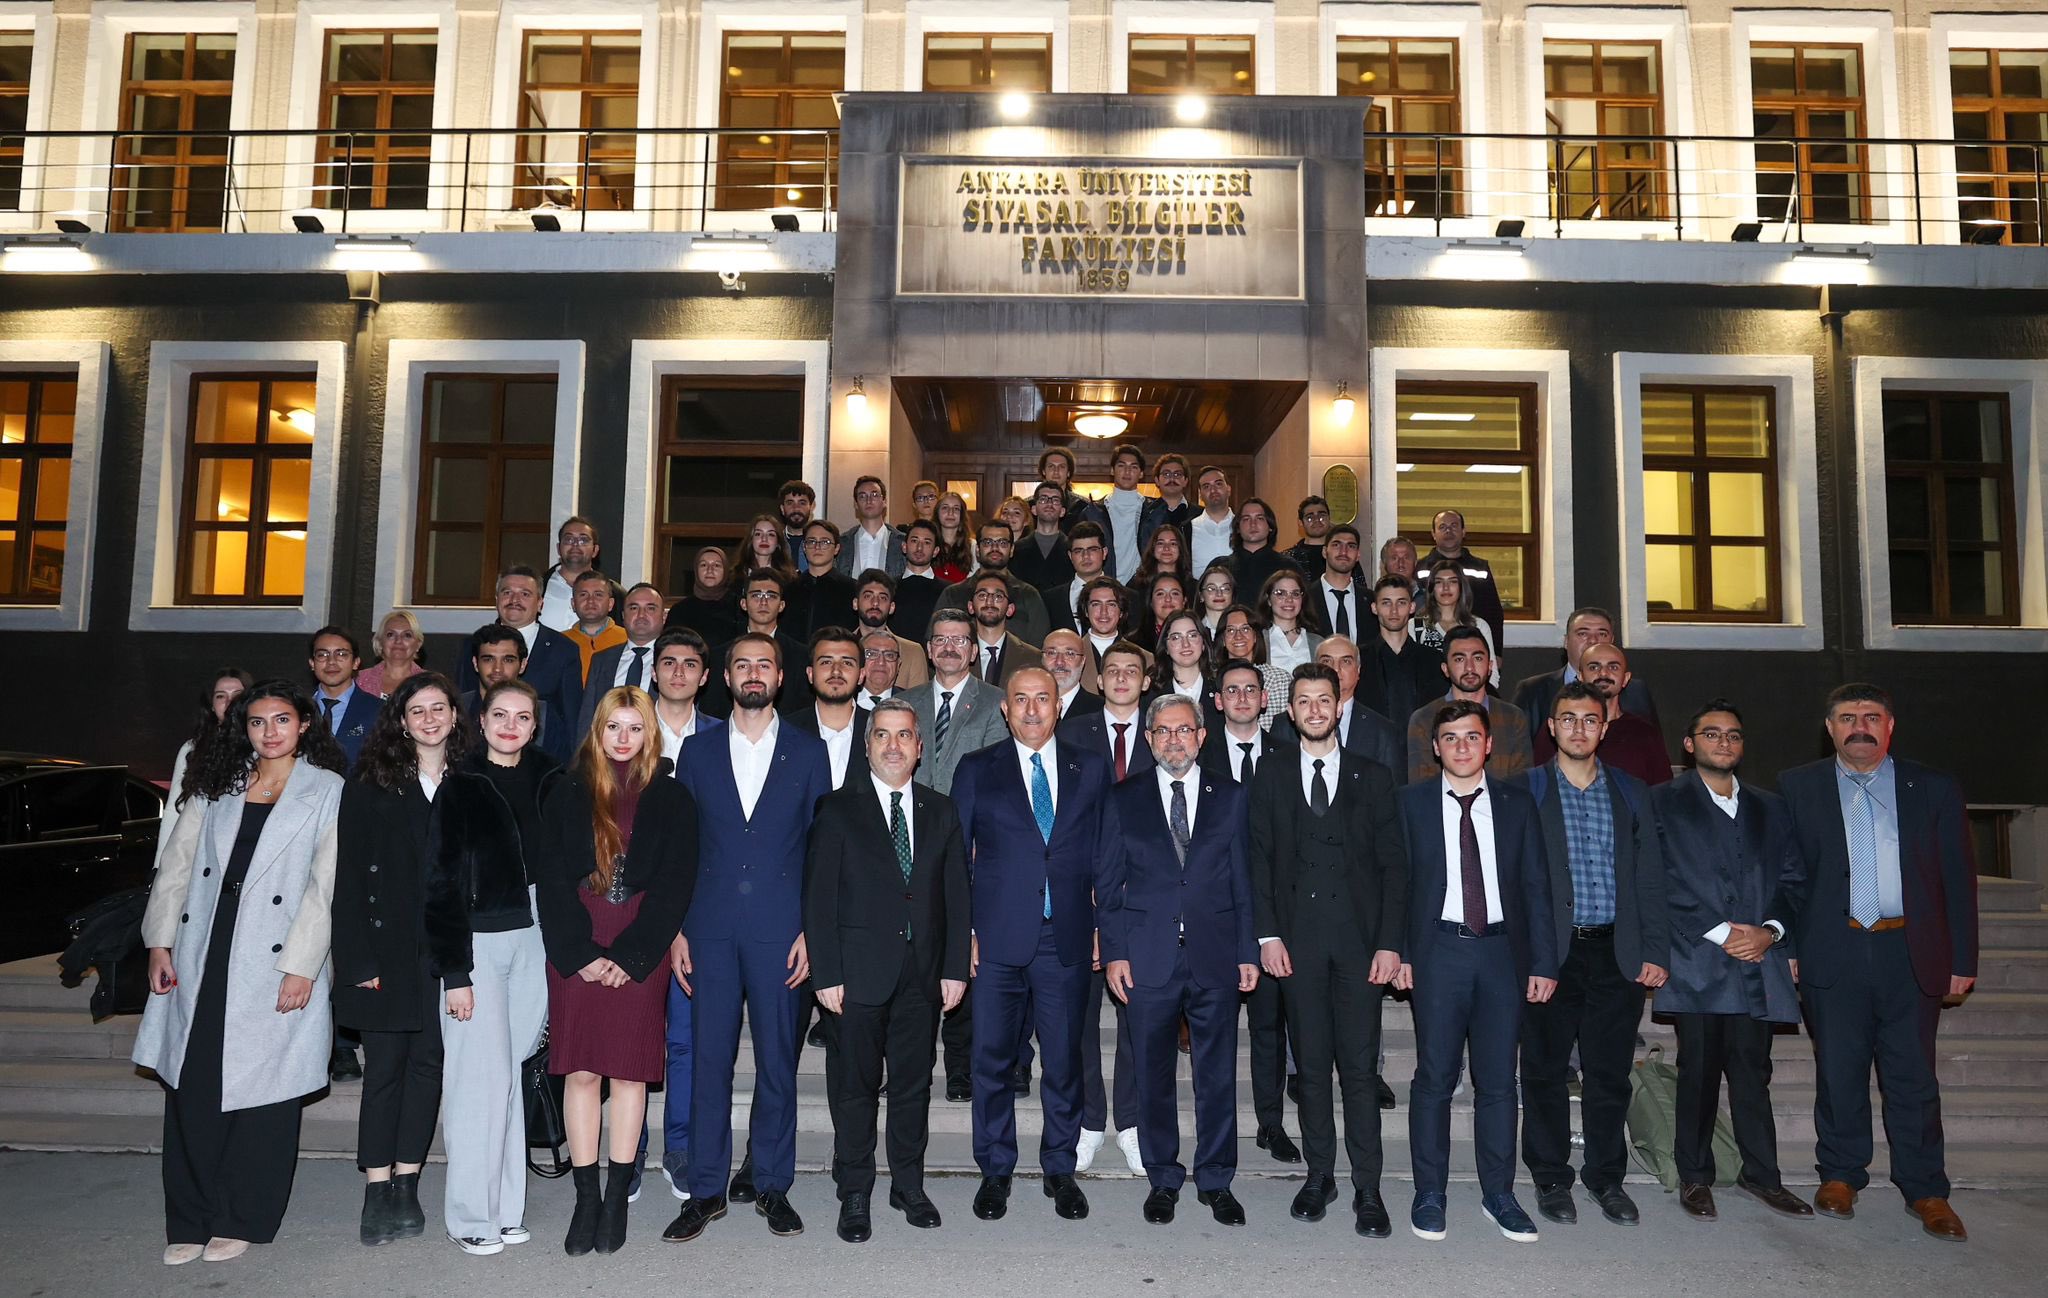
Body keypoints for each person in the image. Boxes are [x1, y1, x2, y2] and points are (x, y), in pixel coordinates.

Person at [135, 681, 349, 1265]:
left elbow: (325, 886)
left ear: (304, 723)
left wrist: (304, 966)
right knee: (191, 1087)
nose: (269, 732)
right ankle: (189, 1217)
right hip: (204, 946)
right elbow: (176, 864)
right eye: (257, 722)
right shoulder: (219, 784)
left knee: (267, 1096)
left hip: (275, 958)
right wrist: (159, 942)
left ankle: (244, 1216)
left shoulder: (327, 789)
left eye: (281, 720)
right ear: (243, 728)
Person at [1776, 684, 1976, 1242]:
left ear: (1890, 726)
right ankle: (1840, 1176)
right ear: (1830, 726)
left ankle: (1926, 1189)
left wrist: (1963, 955)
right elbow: (1786, 878)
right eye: (1847, 717)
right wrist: (1790, 946)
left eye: (1871, 717)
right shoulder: (1798, 786)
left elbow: (1957, 877)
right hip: (1831, 947)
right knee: (1838, 1069)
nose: (1858, 726)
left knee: (1912, 1077)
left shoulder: (1932, 787)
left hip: (1909, 949)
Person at [665, 635, 831, 1243]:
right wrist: (677, 927)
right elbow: (682, 848)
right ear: (726, 677)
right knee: (708, 1063)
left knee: (778, 1065)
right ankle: (705, 1190)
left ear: (781, 677)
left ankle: (772, 1185)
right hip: (707, 931)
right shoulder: (697, 751)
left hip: (782, 933)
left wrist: (815, 931)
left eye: (764, 665)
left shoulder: (810, 754)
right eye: (742, 665)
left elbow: (822, 851)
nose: (753, 674)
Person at [536, 686, 697, 1256]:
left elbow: (676, 884)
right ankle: (585, 1197)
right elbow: (550, 877)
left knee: (629, 1074)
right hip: (577, 938)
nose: (624, 739)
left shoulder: (672, 797)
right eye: (614, 728)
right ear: (597, 731)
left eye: (635, 728)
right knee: (580, 1072)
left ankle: (616, 1194)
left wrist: (631, 956)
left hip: (640, 942)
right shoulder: (565, 790)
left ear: (649, 733)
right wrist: (579, 954)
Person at [1249, 663, 1406, 1237]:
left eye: (1325, 700)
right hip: (1298, 947)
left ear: (1340, 707)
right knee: (1311, 1068)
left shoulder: (1375, 775)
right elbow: (1258, 858)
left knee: (1359, 1071)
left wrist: (1391, 943)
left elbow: (1394, 867)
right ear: (1290, 712)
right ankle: (1320, 1174)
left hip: (1361, 947)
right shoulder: (1270, 773)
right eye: (1305, 702)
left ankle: (1369, 1186)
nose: (1315, 710)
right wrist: (1267, 936)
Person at [955, 668, 1116, 1224]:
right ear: (1004, 709)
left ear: (1058, 706)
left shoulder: (1091, 768)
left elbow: (1106, 855)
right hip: (997, 939)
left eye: (1041, 699)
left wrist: (1103, 926)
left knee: (1065, 1061)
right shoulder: (978, 770)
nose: (1030, 709)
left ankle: (1060, 1168)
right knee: (992, 1061)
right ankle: (995, 1169)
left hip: (1066, 936)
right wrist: (964, 934)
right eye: (1019, 699)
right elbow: (957, 861)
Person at [805, 700, 970, 1242]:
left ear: (920, 748)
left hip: (922, 975)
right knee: (853, 1088)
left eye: (904, 736)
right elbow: (818, 900)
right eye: (882, 735)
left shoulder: (941, 810)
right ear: (868, 744)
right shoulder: (836, 809)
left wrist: (953, 968)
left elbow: (956, 897)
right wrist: (825, 972)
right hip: (854, 975)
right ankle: (855, 1189)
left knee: (913, 1086)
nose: (893, 745)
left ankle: (908, 1183)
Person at [1395, 701, 1557, 1244]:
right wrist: (1399, 953)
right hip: (1440, 952)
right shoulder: (1411, 804)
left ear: (1488, 744)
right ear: (1435, 747)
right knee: (1434, 1078)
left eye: (1471, 737)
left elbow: (1537, 885)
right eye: (1450, 738)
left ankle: (1499, 1194)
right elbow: (1397, 885)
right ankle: (1430, 1193)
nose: (1461, 746)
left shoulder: (1516, 803)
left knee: (1497, 1081)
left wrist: (1542, 960)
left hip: (1502, 955)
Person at [1651, 700, 1812, 1222]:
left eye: (1734, 735)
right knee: (1697, 1071)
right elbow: (1659, 880)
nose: (1724, 742)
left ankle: (1762, 1175)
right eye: (1712, 733)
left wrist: (1770, 933)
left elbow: (1793, 880)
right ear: (1690, 743)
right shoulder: (1662, 802)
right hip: (1698, 957)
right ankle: (1695, 1176)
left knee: (1752, 1072)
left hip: (1758, 961)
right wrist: (1724, 933)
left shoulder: (1772, 807)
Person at [1101, 695, 1257, 1227]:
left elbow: (1244, 881)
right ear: (1149, 739)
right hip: (1147, 958)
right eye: (1163, 732)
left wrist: (1248, 951)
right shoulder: (1122, 798)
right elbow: (1109, 883)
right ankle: (1162, 1177)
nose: (1174, 741)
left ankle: (1216, 1180)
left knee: (1216, 1077)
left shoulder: (1232, 797)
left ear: (1201, 735)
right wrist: (1116, 952)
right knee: (1153, 1074)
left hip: (1215, 957)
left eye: (1184, 731)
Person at [1520, 682, 1669, 1227]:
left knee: (1609, 1075)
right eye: (1568, 719)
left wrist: (1654, 948)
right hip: (1550, 957)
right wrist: (1530, 959)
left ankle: (1607, 1178)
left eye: (1590, 720)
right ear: (1552, 727)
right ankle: (1550, 1177)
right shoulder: (1526, 790)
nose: (1579, 729)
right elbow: (1517, 885)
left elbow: (1650, 877)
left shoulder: (1632, 791)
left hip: (1616, 954)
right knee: (1543, 1072)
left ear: (1604, 727)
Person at [426, 677, 567, 1254]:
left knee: (511, 1077)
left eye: (523, 716)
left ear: (536, 724)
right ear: (480, 722)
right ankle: (469, 1216)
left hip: (534, 939)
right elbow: (440, 885)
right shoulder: (459, 787)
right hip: (479, 943)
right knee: (476, 1084)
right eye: (500, 715)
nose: (511, 725)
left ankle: (507, 1209)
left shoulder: (554, 780)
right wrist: (455, 974)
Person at [335, 674, 463, 1247]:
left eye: (439, 708)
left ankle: (408, 1183)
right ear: (401, 720)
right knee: (384, 1072)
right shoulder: (370, 782)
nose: (430, 718)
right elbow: (348, 877)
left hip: (443, 953)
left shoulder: (469, 781)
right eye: (418, 710)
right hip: (384, 951)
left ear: (456, 717)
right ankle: (374, 1187)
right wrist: (358, 961)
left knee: (428, 1068)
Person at [1056, 639, 1152, 1172]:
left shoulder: (1165, 732)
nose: (1119, 677)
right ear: (1099, 677)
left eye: (1130, 670)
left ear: (1145, 678)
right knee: (1081, 1018)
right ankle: (1090, 1119)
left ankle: (1132, 1122)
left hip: (1144, 900)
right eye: (1111, 669)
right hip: (1084, 893)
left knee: (1137, 1013)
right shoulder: (1073, 733)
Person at [1202, 659, 1295, 1165]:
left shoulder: (1288, 755)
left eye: (1250, 690)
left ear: (1265, 699)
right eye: (1231, 690)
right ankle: (1209, 1130)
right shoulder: (1199, 755)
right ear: (1217, 701)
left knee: (1268, 1026)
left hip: (1273, 914)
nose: (1240, 697)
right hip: (1214, 913)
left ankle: (1270, 1123)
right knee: (1212, 1029)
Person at [456, 567, 582, 764]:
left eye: (525, 594)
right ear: (497, 599)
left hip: (543, 758)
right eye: (507, 592)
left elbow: (571, 715)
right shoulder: (472, 645)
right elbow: (463, 700)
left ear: (540, 603)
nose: (514, 600)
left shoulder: (564, 649)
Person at [1405, 627, 1533, 784]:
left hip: (1502, 807)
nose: (1470, 668)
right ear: (1445, 669)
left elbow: (1522, 787)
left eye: (1478, 658)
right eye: (1459, 659)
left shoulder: (1513, 718)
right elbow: (1421, 788)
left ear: (1490, 666)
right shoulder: (1424, 719)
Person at [1533, 642, 1672, 786]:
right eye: (1594, 667)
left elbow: (1662, 793)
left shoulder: (1644, 733)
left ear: (1625, 678)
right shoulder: (1560, 729)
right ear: (1580, 676)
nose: (1604, 673)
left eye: (1613, 667)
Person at [1511, 606, 1662, 736]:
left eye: (1602, 634)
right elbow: (1520, 750)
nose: (1593, 641)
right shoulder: (1533, 690)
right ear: (1566, 641)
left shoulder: (1636, 691)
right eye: (1583, 633)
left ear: (1612, 642)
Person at [1271, 636, 1405, 778]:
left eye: (1346, 661)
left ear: (1358, 670)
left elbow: (1393, 792)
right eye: (1327, 661)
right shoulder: (1283, 726)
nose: (1336, 669)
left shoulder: (1384, 732)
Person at [907, 609, 1009, 797]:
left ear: (973, 652)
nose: (949, 648)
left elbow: (995, 772)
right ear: (929, 650)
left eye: (959, 641)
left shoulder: (996, 702)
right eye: (940, 640)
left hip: (969, 815)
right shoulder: (906, 703)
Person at [160, 669, 253, 860]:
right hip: (195, 854)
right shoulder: (192, 749)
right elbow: (173, 811)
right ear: (211, 705)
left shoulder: (265, 748)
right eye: (221, 696)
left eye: (238, 695)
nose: (229, 702)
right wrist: (160, 864)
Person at [702, 569, 812, 717]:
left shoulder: (801, 655)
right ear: (743, 604)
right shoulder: (719, 655)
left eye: (771, 596)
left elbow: (805, 711)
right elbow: (712, 710)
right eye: (756, 595)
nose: (763, 602)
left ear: (781, 605)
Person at [935, 522, 1051, 647]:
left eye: (1002, 543)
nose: (995, 548)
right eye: (988, 542)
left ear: (1011, 550)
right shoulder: (953, 594)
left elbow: (1039, 649)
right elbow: (936, 641)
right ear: (978, 550)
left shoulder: (1029, 595)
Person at [462, 622, 566, 758]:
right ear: (476, 664)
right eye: (488, 659)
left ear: (523, 665)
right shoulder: (458, 709)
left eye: (508, 660)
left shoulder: (544, 715)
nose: (497, 669)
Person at [576, 582, 665, 735]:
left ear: (664, 616)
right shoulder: (601, 660)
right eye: (633, 608)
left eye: (650, 608)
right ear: (623, 616)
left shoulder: (673, 662)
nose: (641, 615)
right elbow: (587, 719)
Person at [787, 628, 869, 790]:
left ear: (861, 675)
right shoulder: (785, 731)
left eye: (847, 663)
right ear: (810, 674)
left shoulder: (879, 730)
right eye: (826, 662)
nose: (836, 671)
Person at [1358, 575, 1443, 730]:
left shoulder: (1434, 661)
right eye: (1386, 603)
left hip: (1422, 748)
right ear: (1374, 608)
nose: (1394, 610)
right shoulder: (1359, 660)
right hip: (1372, 749)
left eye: (1401, 603)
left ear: (1412, 607)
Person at [1419, 508, 1506, 654]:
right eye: (1442, 527)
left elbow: (1494, 612)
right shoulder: (1421, 568)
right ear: (1433, 534)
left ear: (1463, 531)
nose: (1449, 531)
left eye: (1454, 526)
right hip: (1430, 644)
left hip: (1473, 642)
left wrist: (1496, 652)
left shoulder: (1480, 568)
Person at [1413, 561, 1498, 686]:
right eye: (1439, 582)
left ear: (1461, 587)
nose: (1445, 587)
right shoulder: (1416, 626)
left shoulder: (1478, 625)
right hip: (1428, 701)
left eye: (1452, 581)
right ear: (1431, 588)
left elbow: (1492, 674)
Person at [309, 626, 382, 771]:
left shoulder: (379, 710)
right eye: (322, 655)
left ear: (355, 662)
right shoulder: (297, 711)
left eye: (341, 654)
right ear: (312, 663)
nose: (331, 662)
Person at [1212, 605, 1292, 731]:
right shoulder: (1212, 679)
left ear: (1255, 636)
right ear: (1222, 639)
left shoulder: (1279, 679)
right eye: (1231, 630)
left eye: (1245, 629)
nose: (1238, 636)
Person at [851, 570, 930, 687]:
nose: (875, 603)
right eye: (868, 596)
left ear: (892, 607)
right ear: (855, 603)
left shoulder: (912, 652)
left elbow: (919, 701)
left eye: (882, 598)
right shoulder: (839, 648)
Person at [966, 569, 1044, 686]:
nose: (990, 601)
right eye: (982, 595)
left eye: (998, 596)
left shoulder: (1032, 658)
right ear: (971, 607)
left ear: (1010, 609)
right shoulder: (958, 653)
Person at [1101, 444, 1167, 580]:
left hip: (1142, 586)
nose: (1127, 471)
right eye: (1121, 465)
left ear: (1141, 473)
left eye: (1134, 467)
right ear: (1112, 470)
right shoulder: (1095, 511)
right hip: (1104, 584)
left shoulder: (1155, 511)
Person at [647, 629, 714, 759]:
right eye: (669, 663)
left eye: (689, 665)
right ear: (654, 673)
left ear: (704, 677)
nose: (678, 672)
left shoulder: (722, 733)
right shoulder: (631, 730)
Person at [541, 516, 610, 633]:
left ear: (595, 550)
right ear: (558, 548)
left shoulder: (615, 594)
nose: (575, 545)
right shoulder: (538, 588)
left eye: (583, 540)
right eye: (569, 540)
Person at [664, 545, 739, 646]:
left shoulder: (739, 607)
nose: (710, 570)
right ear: (696, 570)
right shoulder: (680, 610)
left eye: (716, 565)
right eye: (703, 565)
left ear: (725, 570)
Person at [1045, 520, 1108, 637]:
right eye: (1078, 551)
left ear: (1104, 553)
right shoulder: (1050, 600)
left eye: (1092, 549)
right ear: (1070, 556)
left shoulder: (1127, 597)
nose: (1086, 556)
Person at [562, 570, 628, 683]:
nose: (590, 601)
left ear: (611, 604)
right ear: (573, 604)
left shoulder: (627, 640)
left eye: (598, 595)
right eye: (583, 594)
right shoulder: (560, 642)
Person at [836, 475, 907, 579]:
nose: (869, 500)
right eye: (862, 496)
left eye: (874, 495)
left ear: (884, 501)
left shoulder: (903, 542)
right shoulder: (842, 543)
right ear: (856, 504)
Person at [1011, 481, 1075, 594]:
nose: (1049, 504)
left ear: (1062, 511)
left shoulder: (1073, 549)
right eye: (1043, 499)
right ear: (1034, 509)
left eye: (1055, 500)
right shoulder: (1016, 549)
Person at [797, 520, 859, 635]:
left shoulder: (852, 589)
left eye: (825, 542)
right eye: (811, 541)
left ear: (836, 548)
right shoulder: (790, 589)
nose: (817, 547)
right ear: (804, 548)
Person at [1228, 497, 1300, 596]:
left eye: (1260, 518)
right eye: (1246, 519)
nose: (1253, 524)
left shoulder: (1288, 567)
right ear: (1237, 528)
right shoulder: (1222, 566)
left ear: (1270, 526)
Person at [891, 521, 949, 640]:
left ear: (935, 551)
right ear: (904, 546)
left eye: (927, 542)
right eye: (914, 541)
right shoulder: (889, 588)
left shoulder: (948, 591)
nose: (919, 548)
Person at [1128, 488, 1188, 599]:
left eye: (1173, 544)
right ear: (1152, 548)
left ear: (1181, 549)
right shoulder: (1136, 585)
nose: (1166, 548)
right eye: (1160, 543)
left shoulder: (1191, 585)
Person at [1257, 570, 1322, 673]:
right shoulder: (1257, 642)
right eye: (1280, 593)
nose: (1289, 599)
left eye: (1295, 594)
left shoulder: (1318, 642)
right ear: (1268, 599)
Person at [1147, 610, 1211, 710]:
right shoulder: (1150, 692)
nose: (1185, 644)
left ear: (1203, 643)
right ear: (1166, 647)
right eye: (1176, 638)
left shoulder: (1221, 687)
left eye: (1192, 636)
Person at [357, 611, 426, 698]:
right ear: (380, 642)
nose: (398, 641)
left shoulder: (430, 683)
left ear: (418, 644)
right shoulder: (360, 680)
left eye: (407, 635)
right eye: (390, 635)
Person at [1310, 524, 1363, 638]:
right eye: (1336, 545)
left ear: (1358, 555)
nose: (1343, 552)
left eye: (1351, 546)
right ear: (1324, 552)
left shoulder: (1370, 601)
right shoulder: (1305, 598)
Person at [1040, 629, 1101, 721]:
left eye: (1070, 654)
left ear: (1083, 661)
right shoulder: (1024, 707)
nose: (1059, 662)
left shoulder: (1101, 710)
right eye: (1051, 653)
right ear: (1042, 659)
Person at [1189, 465, 1235, 575]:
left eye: (1218, 484)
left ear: (1228, 489)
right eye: (1206, 486)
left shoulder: (1243, 527)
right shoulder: (1188, 529)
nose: (1213, 490)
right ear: (1200, 495)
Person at [736, 512, 800, 588]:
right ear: (751, 540)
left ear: (778, 543)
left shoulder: (790, 579)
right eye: (758, 534)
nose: (764, 539)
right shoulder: (735, 576)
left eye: (771, 535)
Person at [1134, 571, 1189, 650]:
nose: (1168, 599)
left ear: (1184, 600)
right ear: (1151, 602)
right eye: (1160, 594)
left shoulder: (1198, 636)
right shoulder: (1133, 643)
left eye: (1175, 593)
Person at [1286, 496, 1332, 579]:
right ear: (1300, 522)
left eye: (1322, 516)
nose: (1317, 520)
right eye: (1310, 518)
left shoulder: (1342, 554)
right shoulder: (1287, 558)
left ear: (1329, 518)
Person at [858, 629, 905, 710]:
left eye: (889, 655)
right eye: (871, 654)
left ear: (898, 665)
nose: (881, 662)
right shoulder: (843, 700)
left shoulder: (912, 703)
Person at [932, 492, 974, 581]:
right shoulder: (928, 544)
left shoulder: (973, 547)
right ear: (937, 513)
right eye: (945, 508)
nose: (950, 513)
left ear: (962, 515)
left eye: (956, 509)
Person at [776, 481, 816, 569]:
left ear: (811, 507)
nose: (796, 508)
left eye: (802, 503)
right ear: (782, 509)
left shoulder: (821, 544)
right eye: (790, 503)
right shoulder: (774, 543)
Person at [1378, 536, 1423, 603]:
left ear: (1415, 562)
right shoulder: (1373, 599)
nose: (1401, 563)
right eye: (1394, 558)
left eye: (1406, 558)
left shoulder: (1429, 600)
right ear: (1384, 564)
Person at [1195, 560, 1235, 633]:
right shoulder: (1194, 630)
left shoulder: (1244, 628)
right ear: (1201, 596)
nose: (1219, 593)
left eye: (1225, 588)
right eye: (1211, 589)